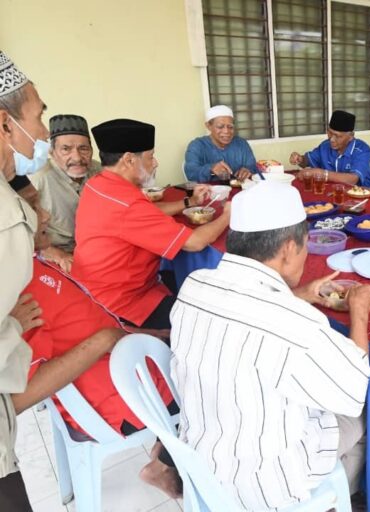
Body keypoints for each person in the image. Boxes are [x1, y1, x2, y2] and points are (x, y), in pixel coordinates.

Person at [171, 181, 370, 510]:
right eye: (306, 246)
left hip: (202, 462)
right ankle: (335, 498)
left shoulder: (194, 285)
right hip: (264, 485)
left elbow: (246, 308)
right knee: (366, 415)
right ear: (289, 248)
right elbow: (354, 388)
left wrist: (299, 293)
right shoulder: (294, 322)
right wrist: (359, 312)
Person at [10, 197, 180, 498]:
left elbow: (87, 320)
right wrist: (106, 339)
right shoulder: (19, 288)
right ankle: (166, 467)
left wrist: (136, 334)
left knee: (182, 339)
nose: (47, 214)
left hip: (120, 366)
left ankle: (167, 445)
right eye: (35, 206)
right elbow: (18, 398)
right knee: (211, 375)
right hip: (114, 399)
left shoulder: (32, 263)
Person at [72, 119, 231, 331]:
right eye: (150, 156)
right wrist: (229, 215)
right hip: (120, 304)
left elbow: (147, 213)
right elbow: (195, 242)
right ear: (129, 160)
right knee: (211, 319)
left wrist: (189, 202)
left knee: (182, 283)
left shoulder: (98, 184)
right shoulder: (127, 204)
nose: (155, 163)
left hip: (91, 289)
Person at [0, 50, 48, 511]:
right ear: (3, 123)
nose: (43, 133)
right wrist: (10, 324)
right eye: (37, 117)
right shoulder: (6, 217)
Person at [28, 114, 101, 272]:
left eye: (83, 148)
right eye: (66, 149)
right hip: (56, 255)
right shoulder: (38, 178)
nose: (76, 157)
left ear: (92, 150)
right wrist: (55, 253)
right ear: (52, 152)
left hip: (94, 250)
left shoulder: (99, 172)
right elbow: (21, 229)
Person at [289, 110, 370, 187]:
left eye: (337, 136)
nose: (332, 139)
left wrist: (322, 174)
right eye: (329, 133)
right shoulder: (325, 146)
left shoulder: (362, 150)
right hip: (332, 193)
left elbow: (352, 180)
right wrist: (300, 159)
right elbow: (307, 161)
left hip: (361, 197)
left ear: (351, 136)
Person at [183, 105, 257, 183]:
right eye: (220, 127)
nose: (226, 131)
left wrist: (248, 170)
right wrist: (211, 169)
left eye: (230, 127)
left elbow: (253, 166)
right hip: (208, 192)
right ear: (208, 126)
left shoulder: (241, 144)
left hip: (240, 192)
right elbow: (190, 173)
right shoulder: (197, 146)